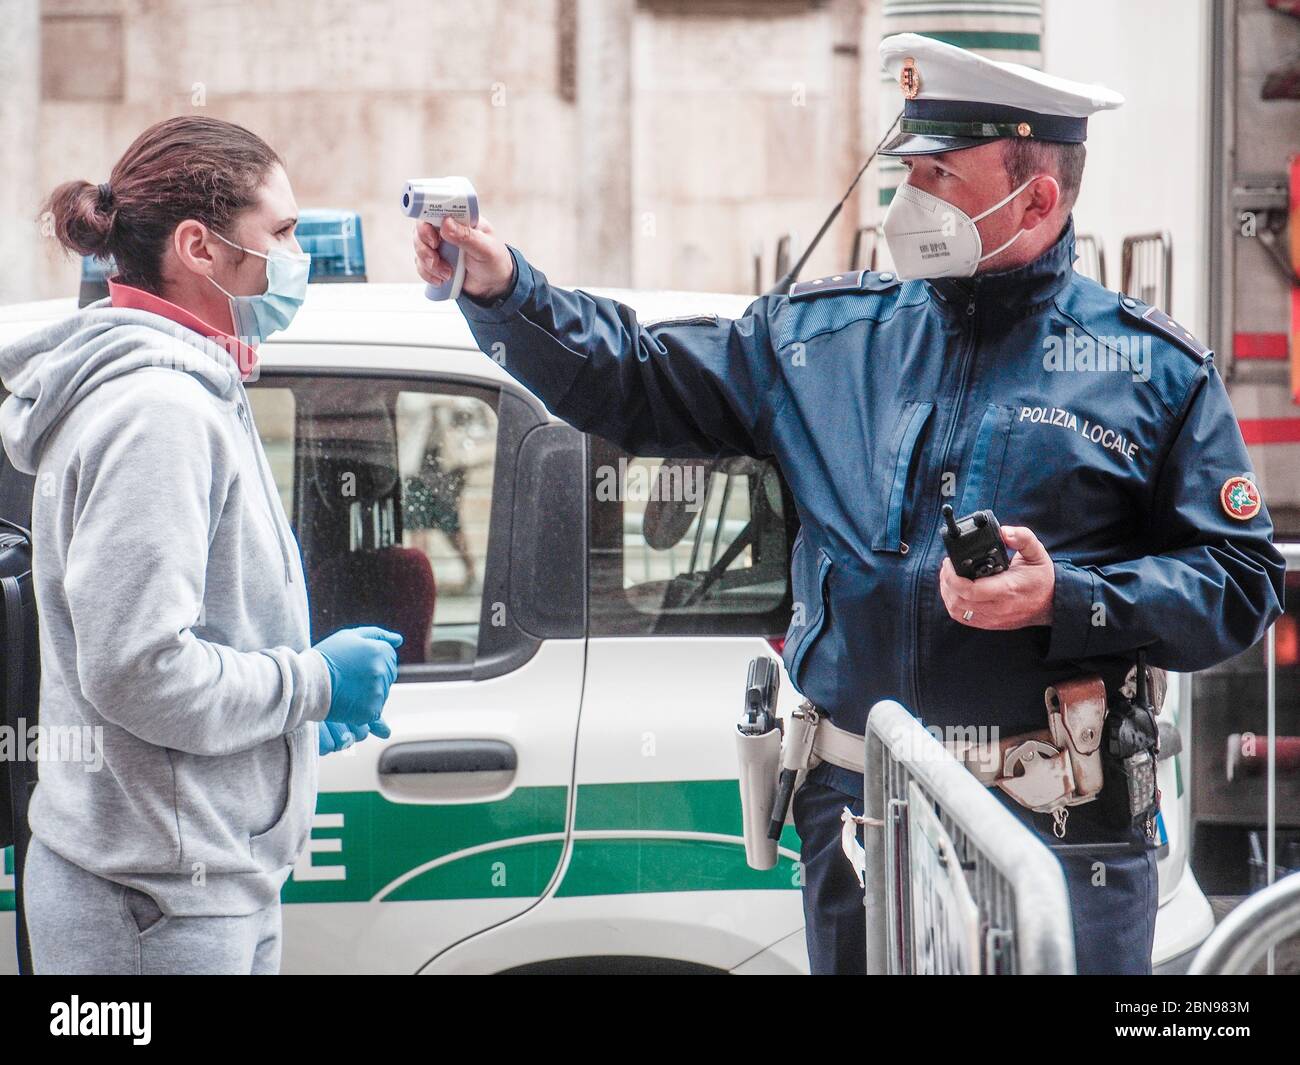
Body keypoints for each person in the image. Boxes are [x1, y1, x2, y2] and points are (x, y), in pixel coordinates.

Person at [412, 34, 1285, 975]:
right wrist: (506, 289)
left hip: (1058, 839)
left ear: (1036, 197)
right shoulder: (823, 337)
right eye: (905, 168)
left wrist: (1062, 598)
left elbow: (1237, 584)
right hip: (865, 827)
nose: (910, 200)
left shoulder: (1149, 371)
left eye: (941, 175)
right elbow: (632, 376)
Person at [0, 116, 402, 974]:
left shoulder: (195, 385)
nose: (300, 257)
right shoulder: (159, 411)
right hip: (153, 906)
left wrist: (285, 724)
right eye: (283, 232)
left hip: (183, 886)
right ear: (200, 247)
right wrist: (312, 682)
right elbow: (140, 668)